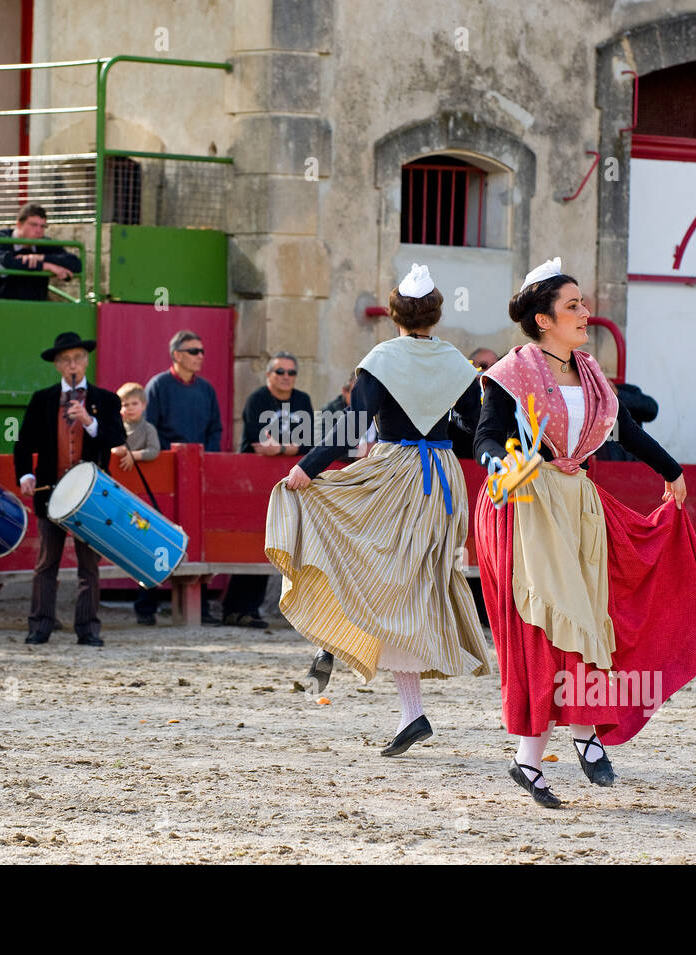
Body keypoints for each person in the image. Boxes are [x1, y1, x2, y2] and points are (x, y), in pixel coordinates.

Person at [472, 257, 696, 808]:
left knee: (592, 616)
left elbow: (626, 429)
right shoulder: (509, 374)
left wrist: (671, 470)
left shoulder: (587, 371)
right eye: (573, 306)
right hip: (525, 504)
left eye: (582, 303)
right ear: (543, 320)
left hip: (578, 504)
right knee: (550, 628)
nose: (586, 313)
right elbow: (486, 438)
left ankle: (555, 747)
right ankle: (555, 748)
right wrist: (502, 466)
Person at [267, 263, 490, 756]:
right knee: (409, 588)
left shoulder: (381, 359)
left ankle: (335, 650)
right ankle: (410, 712)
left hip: (392, 473)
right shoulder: (458, 364)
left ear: (394, 315)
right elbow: (475, 435)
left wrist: (308, 466)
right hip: (442, 481)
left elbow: (352, 425)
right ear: (434, 313)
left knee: (382, 578)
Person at [15, 332, 125, 647]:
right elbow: (23, 443)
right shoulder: (43, 399)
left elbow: (116, 439)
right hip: (51, 492)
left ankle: (88, 628)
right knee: (47, 562)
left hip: (92, 496)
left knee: (88, 565)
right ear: (57, 366)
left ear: (86, 360)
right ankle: (40, 626)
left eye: (77, 358)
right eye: (65, 360)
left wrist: (89, 421)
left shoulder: (105, 400)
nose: (72, 364)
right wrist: (24, 473)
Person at [225, 352, 316, 628]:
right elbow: (256, 441)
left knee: (277, 542)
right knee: (252, 541)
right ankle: (237, 608)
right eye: (280, 372)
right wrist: (286, 448)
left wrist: (282, 449)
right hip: (253, 480)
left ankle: (255, 609)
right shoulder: (257, 399)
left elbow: (311, 440)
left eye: (291, 372)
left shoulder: (302, 400)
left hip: (290, 480)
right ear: (269, 375)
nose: (286, 377)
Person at [114, 382, 164, 626]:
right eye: (125, 404)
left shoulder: (148, 429)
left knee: (147, 547)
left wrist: (134, 455)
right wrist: (118, 451)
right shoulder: (114, 428)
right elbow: (108, 450)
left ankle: (147, 608)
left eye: (134, 404)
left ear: (143, 406)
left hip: (145, 498)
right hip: (119, 498)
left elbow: (155, 451)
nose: (129, 408)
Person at [0, 203, 81, 301]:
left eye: (43, 226)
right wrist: (46, 266)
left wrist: (41, 258)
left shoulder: (44, 243)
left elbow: (75, 264)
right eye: (33, 225)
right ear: (19, 224)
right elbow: (6, 263)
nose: (39, 230)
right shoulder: (0, 238)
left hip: (32, 309)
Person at [144, 330, 223, 452]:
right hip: (165, 461)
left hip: (201, 462)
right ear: (177, 355)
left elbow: (214, 430)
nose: (200, 356)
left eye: (202, 352)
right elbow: (148, 427)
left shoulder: (206, 389)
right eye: (194, 352)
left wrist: (208, 456)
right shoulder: (158, 386)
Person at [449, 347, 499, 458]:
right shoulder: (460, 396)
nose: (490, 371)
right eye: (484, 366)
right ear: (471, 368)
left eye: (495, 366)